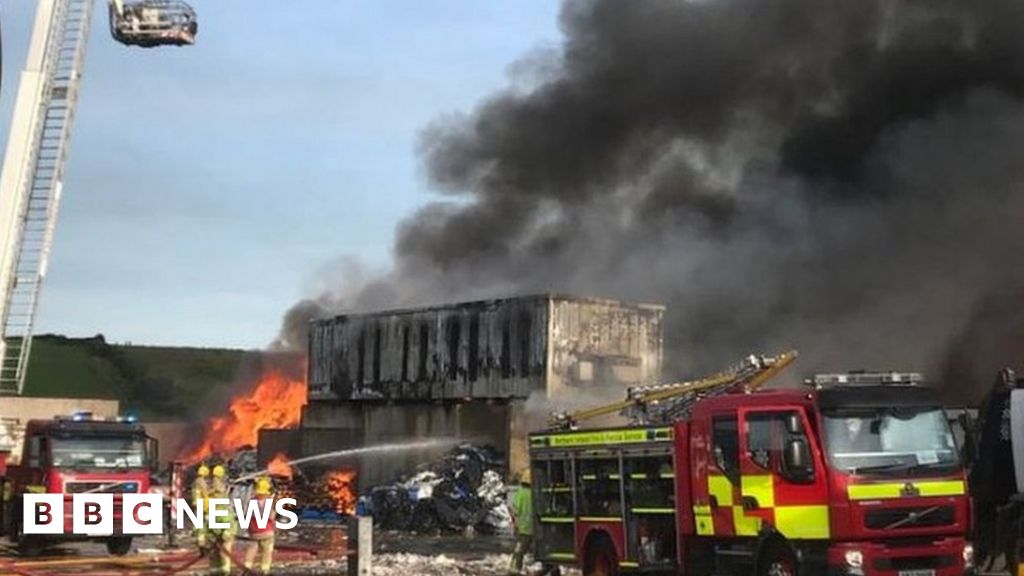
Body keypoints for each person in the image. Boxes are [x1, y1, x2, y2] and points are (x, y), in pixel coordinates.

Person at [208, 464, 239, 575]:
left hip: (224, 532)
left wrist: (227, 532)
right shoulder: (213, 502)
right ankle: (216, 572)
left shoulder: (221, 503)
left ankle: (225, 571)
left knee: (224, 552)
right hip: (215, 533)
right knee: (214, 554)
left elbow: (229, 521)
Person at [244, 476, 277, 575]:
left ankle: (247, 567)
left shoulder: (252, 501)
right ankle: (264, 569)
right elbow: (271, 517)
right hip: (267, 532)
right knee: (267, 551)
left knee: (252, 549)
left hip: (254, 532)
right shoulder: (269, 502)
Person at [508, 469, 534, 575]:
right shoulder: (536, 492)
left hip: (523, 529)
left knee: (519, 552)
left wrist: (515, 525)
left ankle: (514, 571)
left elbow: (513, 510)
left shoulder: (521, 493)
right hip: (537, 528)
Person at [191, 464, 212, 556]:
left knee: (199, 525)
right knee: (203, 525)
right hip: (202, 505)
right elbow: (205, 494)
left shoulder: (195, 481)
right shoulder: (201, 482)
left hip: (197, 504)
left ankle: (201, 542)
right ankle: (203, 545)